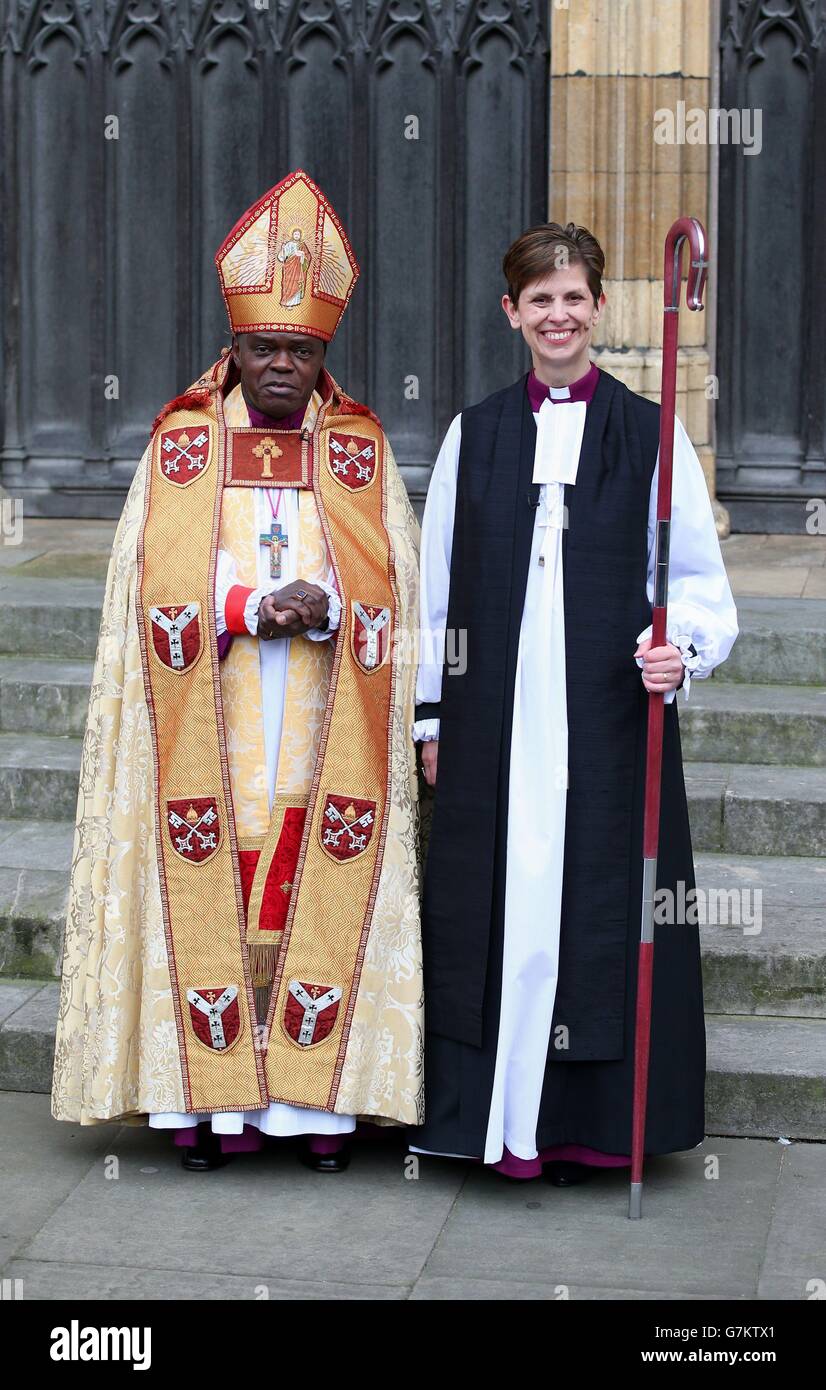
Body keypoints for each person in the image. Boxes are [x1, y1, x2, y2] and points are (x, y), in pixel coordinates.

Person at [52, 170, 423, 1172]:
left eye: (301, 351)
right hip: (206, 718)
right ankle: (205, 1107)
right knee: (216, 879)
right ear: (235, 345)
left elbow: (398, 589)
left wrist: (333, 604)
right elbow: (145, 594)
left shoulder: (359, 454)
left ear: (321, 354)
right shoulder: (179, 447)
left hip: (318, 717)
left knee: (307, 875)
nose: (281, 367)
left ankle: (313, 1111)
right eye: (265, 347)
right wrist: (247, 608)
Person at [412, 221, 737, 1184]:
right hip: (496, 721)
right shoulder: (476, 432)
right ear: (512, 314)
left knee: (595, 904)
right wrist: (432, 715)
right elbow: (436, 588)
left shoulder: (650, 430)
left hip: (605, 714)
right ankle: (495, 1124)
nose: (559, 314)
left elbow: (696, 584)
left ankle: (584, 1125)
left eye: (574, 297)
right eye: (538, 299)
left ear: (600, 308)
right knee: (498, 903)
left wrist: (678, 652)